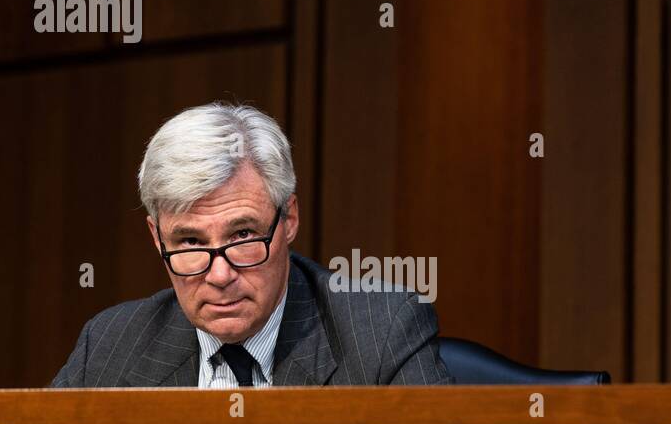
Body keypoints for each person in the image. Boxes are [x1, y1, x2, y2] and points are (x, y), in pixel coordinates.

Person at [50, 102, 454, 387]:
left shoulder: (381, 333)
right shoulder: (108, 344)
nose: (220, 275)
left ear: (289, 218)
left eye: (243, 235)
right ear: (157, 239)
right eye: (190, 241)